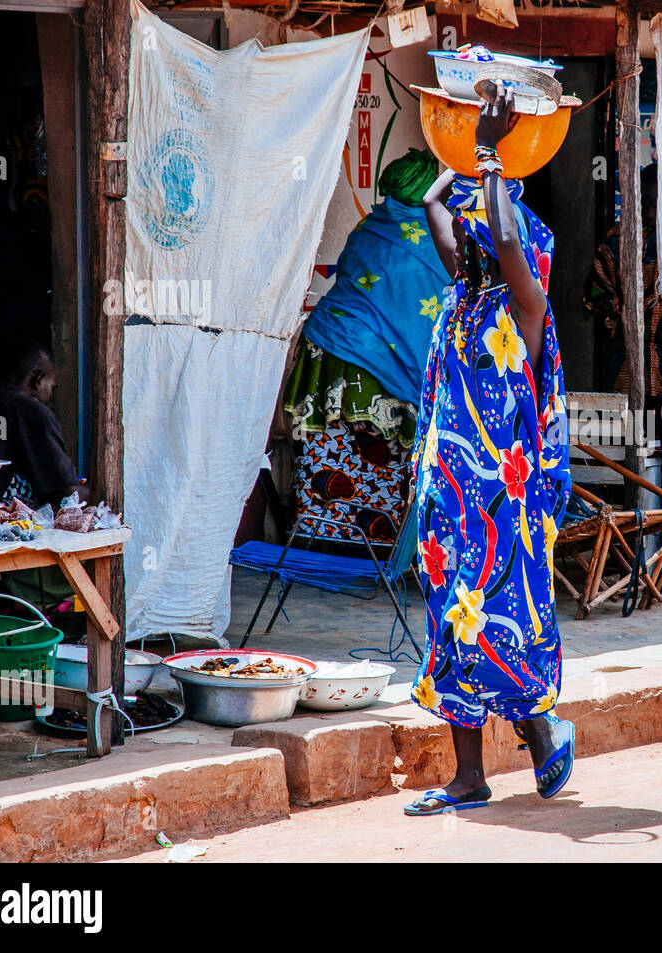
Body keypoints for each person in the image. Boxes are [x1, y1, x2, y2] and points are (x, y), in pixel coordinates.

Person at [403, 86, 574, 815]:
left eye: (486, 244)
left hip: (503, 514)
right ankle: (476, 773)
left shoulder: (524, 307)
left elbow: (505, 241)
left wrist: (490, 156)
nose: (468, 248)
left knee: (501, 620)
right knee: (455, 622)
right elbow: (438, 212)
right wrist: (458, 153)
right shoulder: (462, 301)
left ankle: (540, 731)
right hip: (451, 502)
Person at [282, 148, 449, 544]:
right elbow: (427, 317)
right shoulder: (436, 240)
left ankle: (321, 536)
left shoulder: (369, 225)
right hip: (374, 365)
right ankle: (373, 543)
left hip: (327, 350)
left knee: (330, 451)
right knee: (383, 457)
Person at [0, 344, 86, 508]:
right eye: (52, 387)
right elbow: (65, 496)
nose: (52, 395)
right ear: (39, 379)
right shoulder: (31, 411)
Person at [584, 162, 662, 432]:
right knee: (626, 419)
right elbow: (595, 291)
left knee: (660, 424)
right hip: (626, 348)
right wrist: (609, 302)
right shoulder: (618, 242)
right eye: (646, 205)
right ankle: (629, 468)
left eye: (658, 205)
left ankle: (649, 464)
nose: (651, 213)